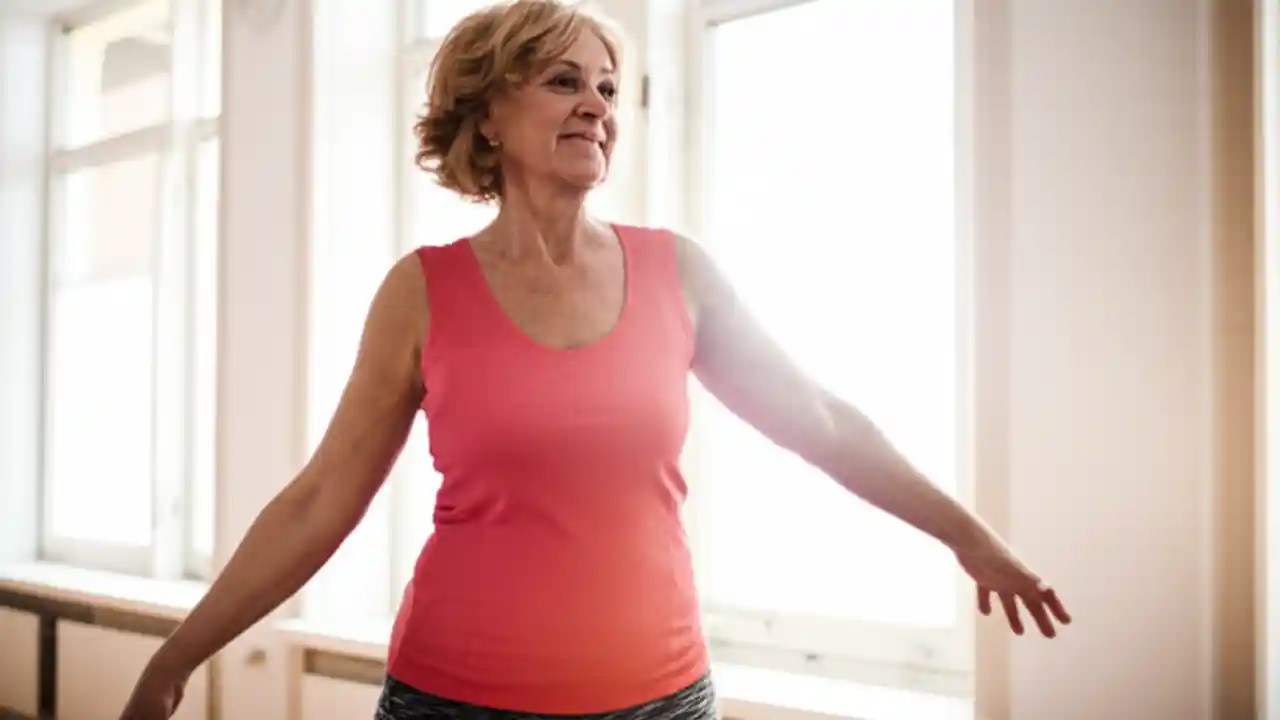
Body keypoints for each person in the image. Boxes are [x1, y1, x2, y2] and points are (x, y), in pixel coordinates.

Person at [120, 1, 1071, 718]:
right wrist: (177, 657)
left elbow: (821, 424)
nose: (596, 106)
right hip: (457, 701)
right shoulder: (423, 291)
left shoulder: (678, 274)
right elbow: (321, 499)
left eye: (608, 88)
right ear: (488, 115)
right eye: (564, 82)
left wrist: (968, 535)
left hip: (660, 700)